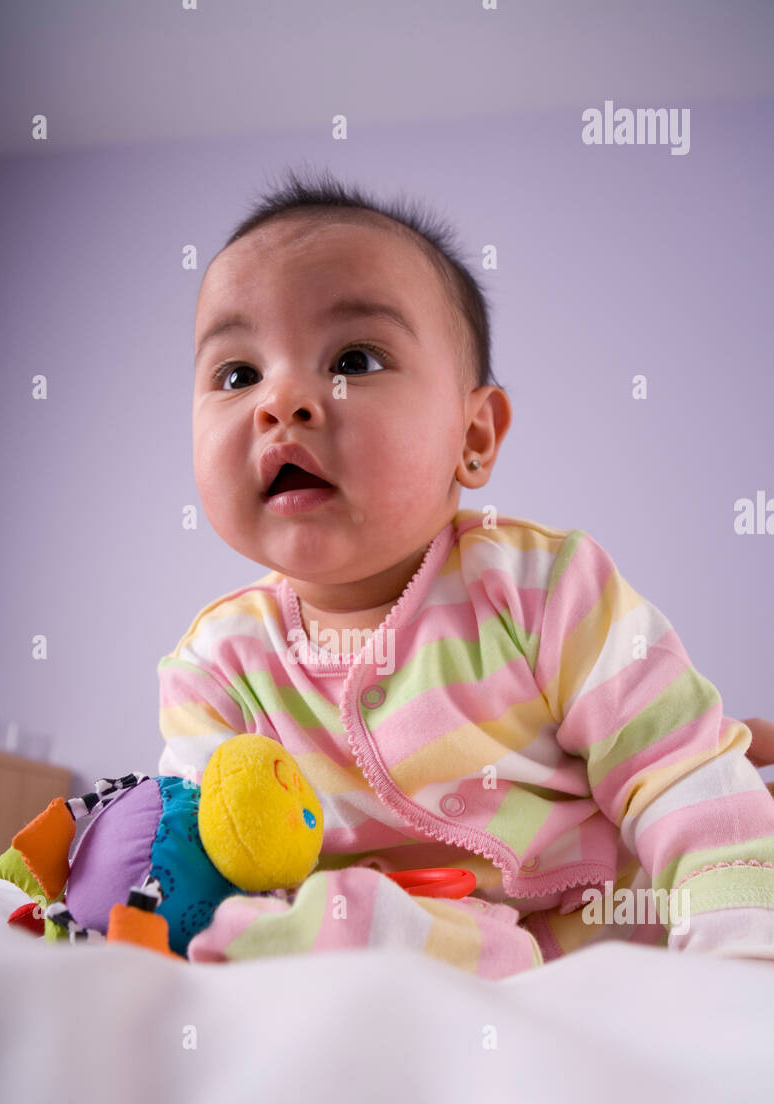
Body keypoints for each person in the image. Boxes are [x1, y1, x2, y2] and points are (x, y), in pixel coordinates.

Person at [157, 169, 774, 977]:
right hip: (398, 942)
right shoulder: (215, 666)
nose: (284, 402)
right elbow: (203, 854)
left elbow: (678, 768)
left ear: (473, 436)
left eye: (354, 358)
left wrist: (739, 954)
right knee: (267, 920)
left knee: (735, 815)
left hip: (601, 940)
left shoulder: (545, 587)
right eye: (238, 375)